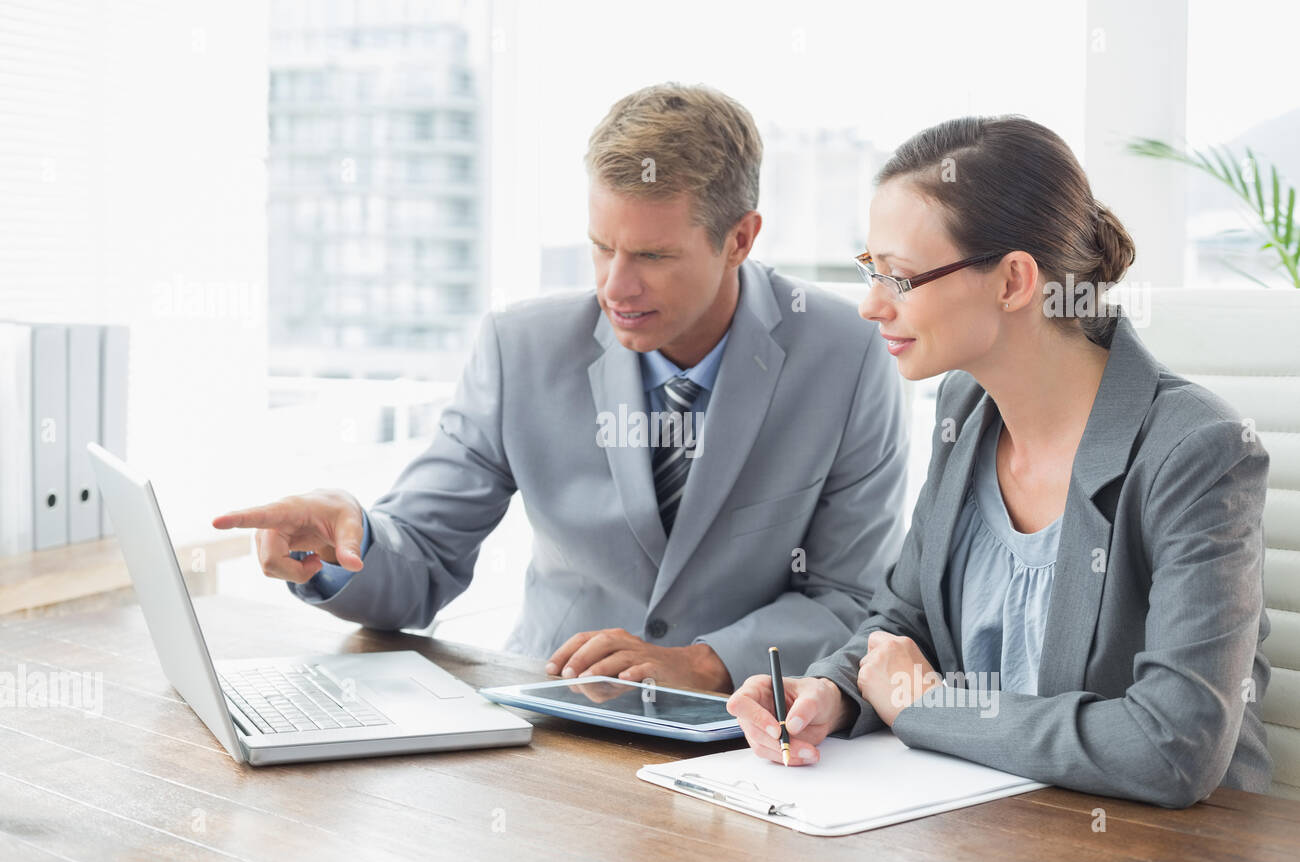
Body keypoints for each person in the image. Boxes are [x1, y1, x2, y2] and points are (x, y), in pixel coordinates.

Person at [212, 83, 909, 693]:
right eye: (602, 246)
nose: (616, 285)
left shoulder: (847, 356)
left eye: (653, 256)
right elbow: (421, 557)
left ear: (741, 239)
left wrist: (701, 662)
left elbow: (849, 597)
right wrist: (344, 544)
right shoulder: (521, 349)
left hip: (746, 737)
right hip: (550, 716)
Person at [727, 115, 1272, 808]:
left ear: (1013, 280)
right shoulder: (966, 410)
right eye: (871, 270)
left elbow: (1172, 747)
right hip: (985, 822)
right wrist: (830, 693)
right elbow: (904, 622)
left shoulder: (1197, 452)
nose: (870, 304)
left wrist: (928, 709)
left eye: (898, 276)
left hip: (1158, 854)